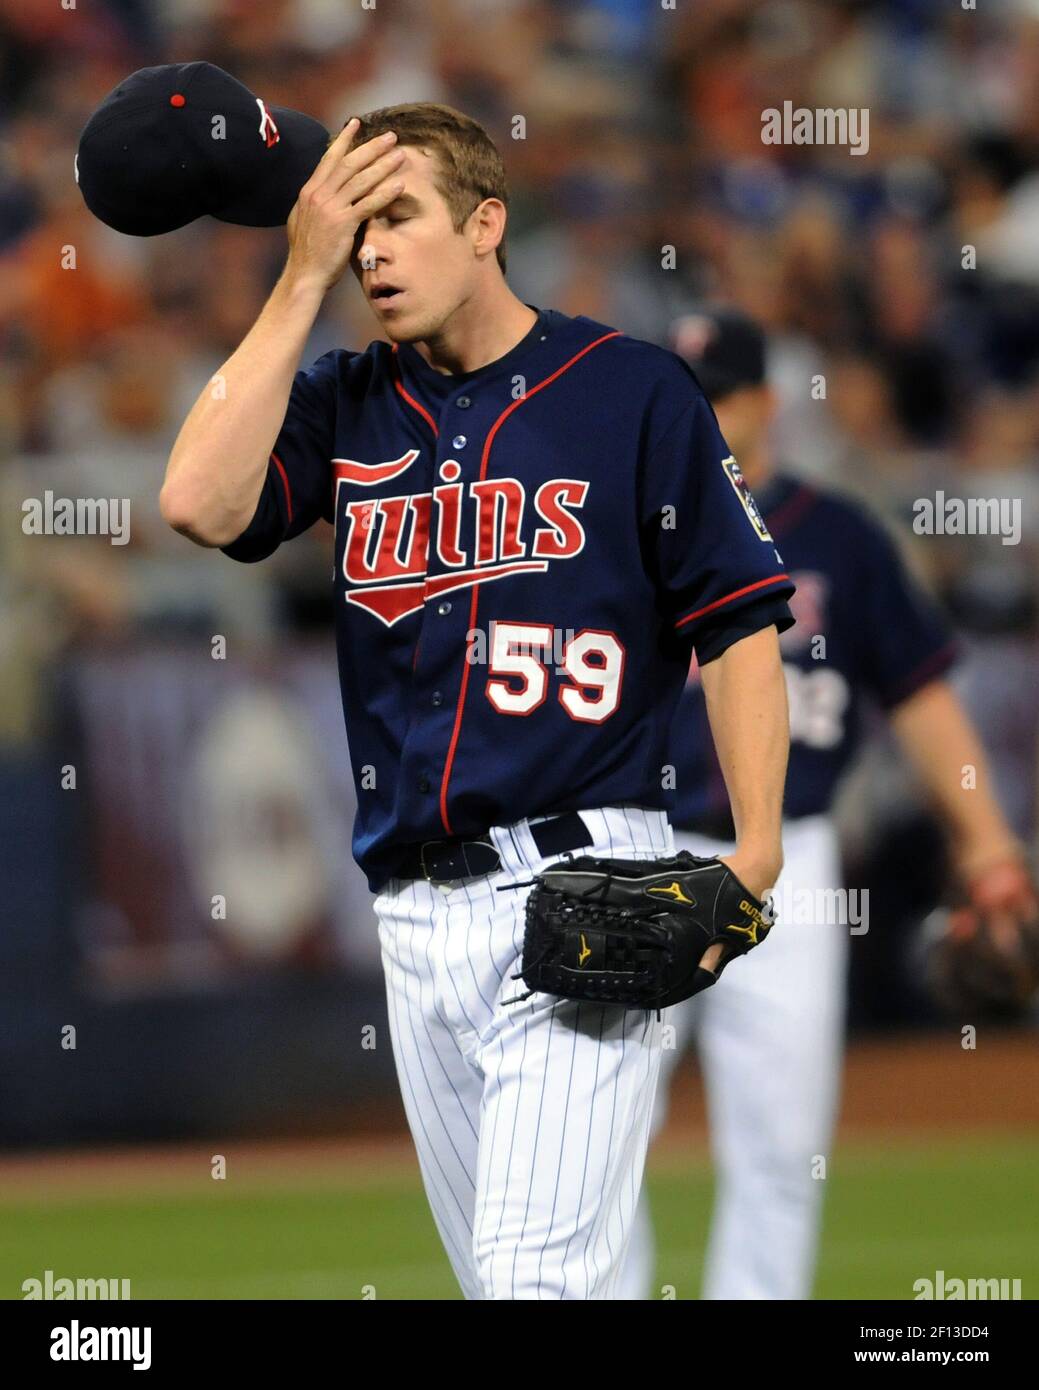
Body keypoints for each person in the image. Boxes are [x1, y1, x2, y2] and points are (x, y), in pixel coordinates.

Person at [158, 103, 795, 1300]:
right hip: (411, 914)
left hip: (584, 887)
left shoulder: (630, 393)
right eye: (356, 233)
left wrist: (754, 856)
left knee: (528, 1286)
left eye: (397, 217)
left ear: (486, 221)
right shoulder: (347, 399)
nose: (373, 253)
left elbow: (742, 622)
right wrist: (298, 275)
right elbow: (197, 498)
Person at [619, 306, 1037, 1300]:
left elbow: (920, 696)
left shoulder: (835, 535)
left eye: (716, 393)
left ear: (764, 401)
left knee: (781, 1153)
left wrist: (985, 843)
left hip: (790, 862)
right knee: (594, 1139)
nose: (701, 414)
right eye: (682, 397)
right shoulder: (618, 524)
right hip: (636, 849)